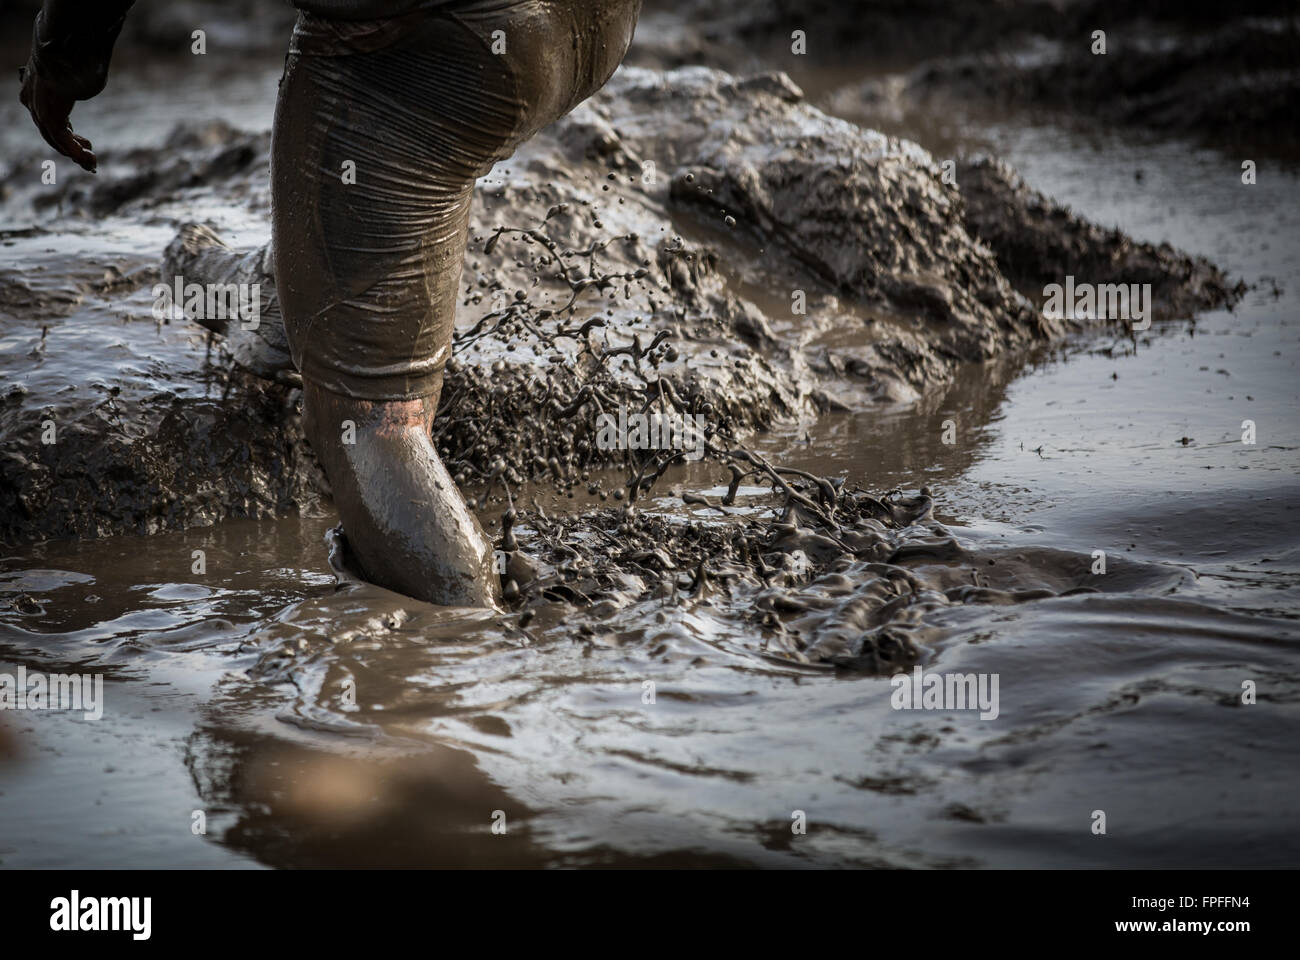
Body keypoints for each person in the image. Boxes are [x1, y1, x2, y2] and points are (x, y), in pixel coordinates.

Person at [19, 0, 642, 608]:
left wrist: (58, 65)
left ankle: (470, 642)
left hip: (432, 38)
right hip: (592, 23)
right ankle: (284, 301)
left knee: (374, 419)